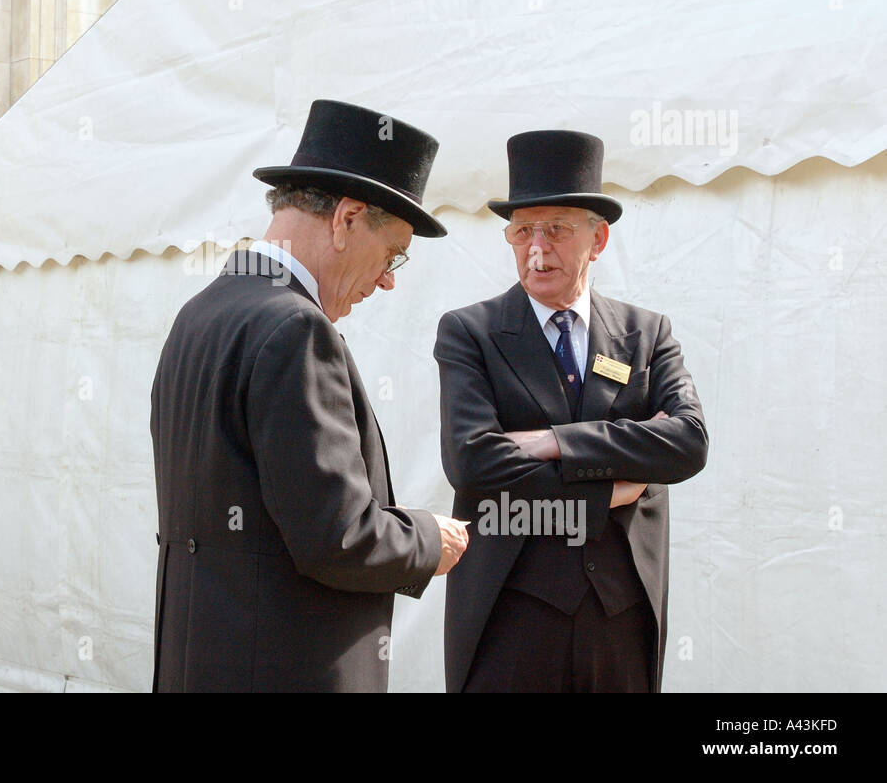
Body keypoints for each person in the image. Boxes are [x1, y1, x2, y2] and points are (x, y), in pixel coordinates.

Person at [151, 99, 469, 692]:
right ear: (347, 219)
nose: (390, 277)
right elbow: (337, 537)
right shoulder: (296, 329)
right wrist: (429, 536)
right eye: (394, 252)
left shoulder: (199, 314)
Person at [435, 129, 707, 693]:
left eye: (556, 230)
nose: (537, 248)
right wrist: (607, 489)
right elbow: (472, 462)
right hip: (511, 616)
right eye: (522, 231)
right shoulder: (471, 333)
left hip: (621, 616)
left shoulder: (645, 334)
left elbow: (688, 441)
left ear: (598, 238)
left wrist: (557, 440)